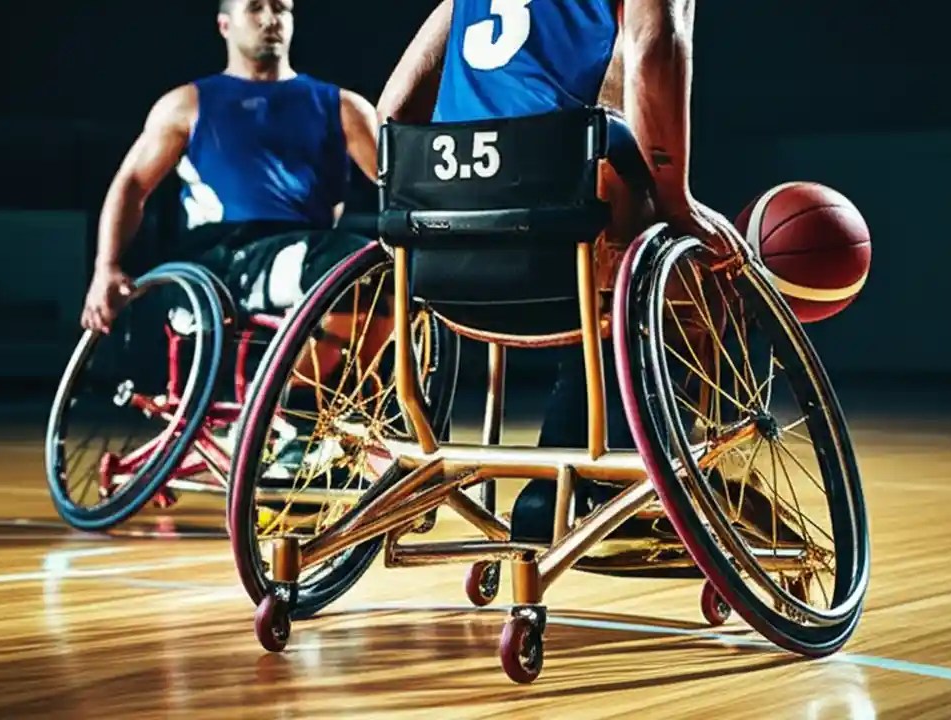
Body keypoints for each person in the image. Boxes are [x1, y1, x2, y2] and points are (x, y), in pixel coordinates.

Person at [376, 0, 739, 541]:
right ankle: (626, 485)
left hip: (442, 268)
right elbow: (655, 49)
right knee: (711, 276)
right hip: (563, 247)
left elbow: (394, 112)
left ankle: (557, 480)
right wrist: (677, 202)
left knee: (609, 253)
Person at [80, 0, 381, 335]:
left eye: (281, 9)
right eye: (255, 8)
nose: (270, 19)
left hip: (310, 248)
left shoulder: (344, 107)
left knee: (376, 268)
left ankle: (323, 377)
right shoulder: (187, 105)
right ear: (225, 25)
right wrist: (106, 267)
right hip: (222, 256)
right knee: (342, 261)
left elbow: (396, 185)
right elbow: (133, 183)